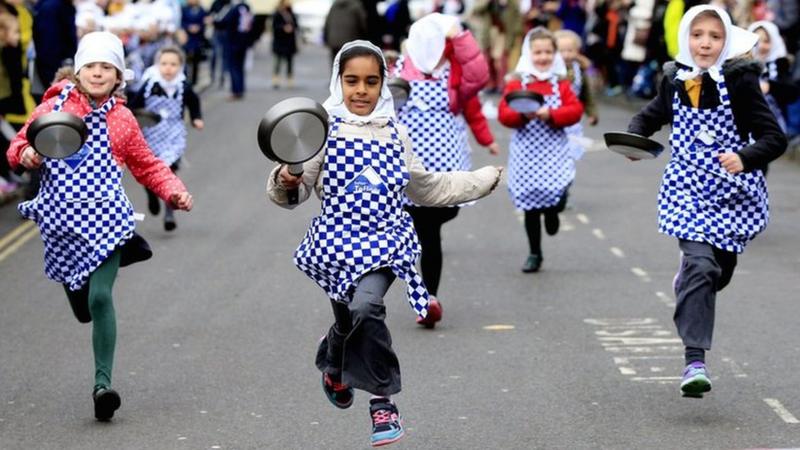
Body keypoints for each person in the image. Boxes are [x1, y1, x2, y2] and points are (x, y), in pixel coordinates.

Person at [266, 41, 502, 447]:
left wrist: (478, 181)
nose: (361, 90)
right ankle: (333, 365)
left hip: (385, 244)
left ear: (383, 85)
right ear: (338, 82)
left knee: (366, 307)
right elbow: (296, 185)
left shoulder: (396, 132)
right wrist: (287, 178)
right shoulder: (324, 129)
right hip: (334, 246)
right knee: (346, 319)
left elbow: (424, 186)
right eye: (352, 81)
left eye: (371, 82)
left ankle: (382, 401)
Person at [5, 31, 193, 420]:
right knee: (82, 306)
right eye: (91, 65)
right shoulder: (53, 109)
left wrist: (173, 190)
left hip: (108, 220)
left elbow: (147, 164)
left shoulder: (122, 120)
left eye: (107, 66)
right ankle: (81, 298)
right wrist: (26, 153)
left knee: (100, 298)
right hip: (61, 221)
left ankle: (102, 386)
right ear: (78, 70)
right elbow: (16, 147)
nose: (98, 72)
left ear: (119, 75)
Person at [626, 6, 786, 398]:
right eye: (698, 34)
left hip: (732, 196)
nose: (705, 43)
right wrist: (633, 141)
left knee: (717, 273)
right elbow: (648, 117)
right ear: (686, 38)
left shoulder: (741, 83)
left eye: (715, 36)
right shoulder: (673, 79)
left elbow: (774, 138)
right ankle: (694, 361)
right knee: (700, 264)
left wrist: (744, 157)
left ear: (726, 41)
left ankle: (692, 280)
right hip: (686, 191)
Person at [395, 13, 497, 328]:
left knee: (431, 228)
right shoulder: (396, 72)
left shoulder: (454, 76)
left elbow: (480, 74)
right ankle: (427, 299)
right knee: (421, 233)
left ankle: (427, 297)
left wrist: (459, 34)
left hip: (443, 169)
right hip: (407, 168)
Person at [498, 27, 583, 273]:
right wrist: (521, 115)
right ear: (528, 53)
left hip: (553, 149)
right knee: (530, 205)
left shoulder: (562, 84)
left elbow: (575, 111)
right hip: (526, 151)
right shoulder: (516, 83)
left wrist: (552, 114)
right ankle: (535, 253)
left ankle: (555, 208)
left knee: (556, 189)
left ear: (555, 54)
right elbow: (504, 114)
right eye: (538, 52)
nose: (543, 57)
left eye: (548, 52)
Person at [128, 45, 203, 232]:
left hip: (173, 133)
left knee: (169, 171)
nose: (168, 68)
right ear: (157, 65)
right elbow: (134, 106)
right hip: (151, 133)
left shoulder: (183, 86)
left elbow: (193, 102)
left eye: (173, 64)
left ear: (180, 66)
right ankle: (151, 194)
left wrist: (196, 118)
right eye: (164, 64)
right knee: (151, 169)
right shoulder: (149, 85)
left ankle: (170, 211)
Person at [747, 20, 800, 134]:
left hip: (779, 124)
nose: (761, 46)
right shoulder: (743, 67)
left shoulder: (781, 64)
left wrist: (770, 87)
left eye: (766, 41)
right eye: (756, 42)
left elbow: (792, 92)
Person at [555, 28, 598, 161]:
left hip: (573, 119)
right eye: (561, 51)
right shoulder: (551, 70)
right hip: (554, 117)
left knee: (571, 152)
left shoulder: (579, 69)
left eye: (570, 51)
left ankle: (566, 172)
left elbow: (587, 94)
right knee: (555, 150)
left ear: (577, 52)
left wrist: (592, 113)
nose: (566, 55)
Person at [271, 0, 297, 89]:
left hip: (289, 43)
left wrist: (291, 28)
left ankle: (290, 80)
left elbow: (296, 25)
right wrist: (283, 28)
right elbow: (274, 27)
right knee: (277, 62)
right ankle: (276, 80)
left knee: (289, 62)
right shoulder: (277, 14)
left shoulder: (291, 13)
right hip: (280, 42)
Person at [181, 0, 208, 86]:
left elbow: (204, 23)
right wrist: (188, 27)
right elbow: (182, 22)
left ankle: (194, 80)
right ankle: (185, 79)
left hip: (198, 39)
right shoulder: (184, 9)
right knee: (185, 59)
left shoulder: (202, 10)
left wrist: (199, 28)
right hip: (187, 38)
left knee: (196, 60)